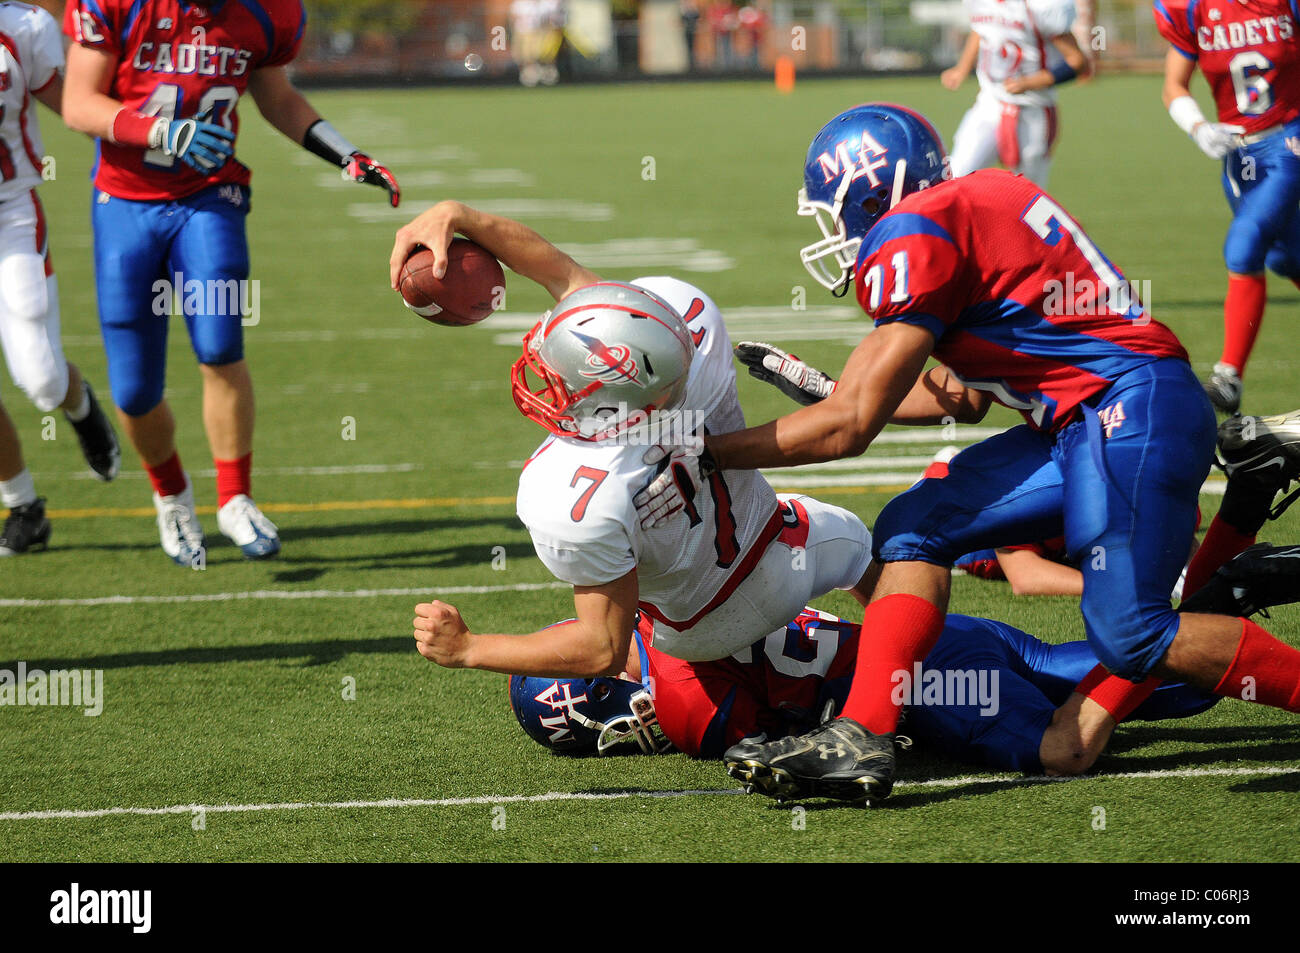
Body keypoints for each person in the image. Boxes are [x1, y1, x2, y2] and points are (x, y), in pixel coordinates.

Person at [634, 103, 1300, 804]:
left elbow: (850, 427)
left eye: (837, 211)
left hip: (1123, 411)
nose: (838, 232)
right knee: (913, 526)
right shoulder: (967, 206)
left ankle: (1243, 567)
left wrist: (707, 449)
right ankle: (862, 731)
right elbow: (959, 396)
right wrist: (826, 386)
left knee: (1131, 634)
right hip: (1098, 415)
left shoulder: (913, 231)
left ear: (868, 191)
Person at [390, 201, 875, 681]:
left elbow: (600, 648)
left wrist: (470, 648)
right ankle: (911, 656)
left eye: (561, 379)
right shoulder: (689, 335)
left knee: (603, 644)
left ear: (608, 402)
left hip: (692, 634)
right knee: (856, 543)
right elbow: (584, 292)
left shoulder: (566, 486)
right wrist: (462, 216)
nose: (549, 378)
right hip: (779, 562)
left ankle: (658, 681)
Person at [61, 0, 400, 567]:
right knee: (134, 389)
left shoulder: (268, 11)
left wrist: (346, 154)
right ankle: (171, 495)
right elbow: (77, 102)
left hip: (211, 198)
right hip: (125, 203)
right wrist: (164, 131)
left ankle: (235, 497)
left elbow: (277, 96)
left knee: (220, 346)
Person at [511, 532, 1299, 774]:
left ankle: (1211, 594)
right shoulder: (658, 614)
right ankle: (1222, 580)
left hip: (923, 687)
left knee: (1070, 746)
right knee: (1155, 681)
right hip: (925, 630)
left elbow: (776, 752)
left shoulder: (687, 706)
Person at [0, 0, 120, 557]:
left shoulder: (24, 27)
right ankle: (23, 504)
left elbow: (75, 106)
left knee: (42, 382)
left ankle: (80, 406)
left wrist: (148, 136)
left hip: (9, 213)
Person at [1154, 0, 1300, 413]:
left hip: (1289, 141)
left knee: (1244, 245)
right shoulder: (1193, 9)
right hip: (1239, 154)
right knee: (1287, 258)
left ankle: (1228, 376)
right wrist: (1198, 127)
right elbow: (1174, 86)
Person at [940, 0, 1091, 187]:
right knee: (954, 177)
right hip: (989, 103)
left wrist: (1029, 82)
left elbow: (1078, 62)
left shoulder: (1042, 6)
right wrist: (962, 68)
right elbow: (981, 28)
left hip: (1033, 108)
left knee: (1028, 194)